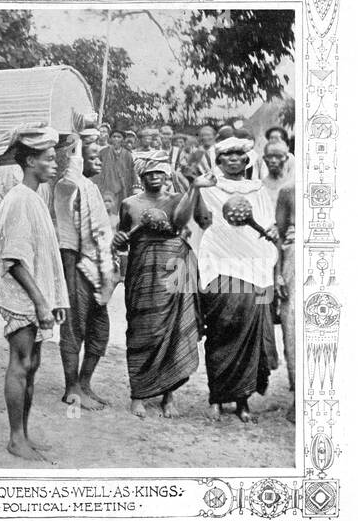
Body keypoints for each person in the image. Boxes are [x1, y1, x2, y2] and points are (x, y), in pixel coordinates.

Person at [0, 127, 68, 462]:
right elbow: (15, 260)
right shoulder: (20, 199)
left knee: (31, 364)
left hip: (34, 296)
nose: (55, 164)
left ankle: (25, 434)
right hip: (21, 296)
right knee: (20, 364)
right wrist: (39, 301)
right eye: (49, 159)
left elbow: (42, 256)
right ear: (31, 160)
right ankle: (15, 438)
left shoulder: (34, 198)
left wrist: (54, 300)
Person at [195, 135, 279, 421]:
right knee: (220, 330)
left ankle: (242, 401)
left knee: (249, 333)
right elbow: (199, 221)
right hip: (219, 265)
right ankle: (216, 398)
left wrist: (273, 231)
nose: (233, 159)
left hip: (252, 265)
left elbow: (267, 223)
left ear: (246, 160)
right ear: (219, 161)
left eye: (238, 155)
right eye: (226, 155)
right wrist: (196, 190)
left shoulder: (257, 189)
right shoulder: (208, 187)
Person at [113, 153, 203, 418]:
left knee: (173, 330)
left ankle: (168, 396)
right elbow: (123, 239)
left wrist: (194, 187)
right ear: (141, 177)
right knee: (142, 328)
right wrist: (118, 241)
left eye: (159, 172)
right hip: (143, 268)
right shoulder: (129, 204)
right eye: (149, 173)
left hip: (174, 266)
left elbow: (183, 222)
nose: (154, 177)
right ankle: (138, 393)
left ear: (167, 175)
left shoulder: (177, 200)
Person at [51, 136, 115, 411]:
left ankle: (85, 382)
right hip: (76, 262)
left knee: (100, 331)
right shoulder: (68, 187)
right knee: (74, 327)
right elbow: (68, 182)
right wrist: (76, 149)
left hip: (96, 266)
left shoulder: (91, 188)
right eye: (92, 156)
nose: (98, 160)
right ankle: (71, 389)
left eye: (99, 156)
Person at [275, 181, 296, 420]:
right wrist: (278, 273)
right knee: (292, 325)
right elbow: (279, 236)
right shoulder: (289, 191)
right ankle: (298, 395)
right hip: (294, 258)